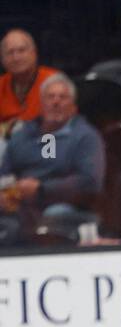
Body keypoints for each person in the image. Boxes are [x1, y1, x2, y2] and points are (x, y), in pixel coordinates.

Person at [0, 73, 104, 246]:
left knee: (54, 217)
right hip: (20, 207)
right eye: (50, 97)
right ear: (41, 104)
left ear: (73, 106)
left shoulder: (86, 137)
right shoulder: (21, 136)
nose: (56, 102)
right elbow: (4, 174)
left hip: (63, 206)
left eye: (62, 97)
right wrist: (3, 194)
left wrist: (41, 189)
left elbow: (89, 182)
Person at [0, 30, 56, 136]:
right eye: (10, 52)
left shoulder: (54, 82)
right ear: (2, 60)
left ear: (34, 53)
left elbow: (67, 124)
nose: (16, 58)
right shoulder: (1, 84)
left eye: (21, 51)